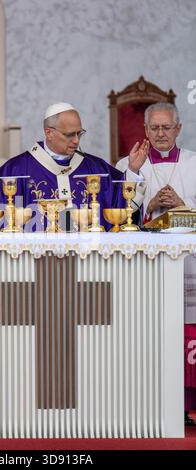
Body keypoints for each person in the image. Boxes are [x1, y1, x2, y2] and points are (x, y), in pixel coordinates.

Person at [116, 102, 196, 425]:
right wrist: (148, 202)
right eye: (155, 128)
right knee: (150, 327)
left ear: (178, 129)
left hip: (190, 261)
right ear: (145, 131)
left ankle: (189, 403)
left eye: (167, 128)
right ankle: (148, 400)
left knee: (187, 327)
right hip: (146, 264)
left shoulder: (193, 163)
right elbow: (116, 215)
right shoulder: (129, 164)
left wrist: (182, 204)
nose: (161, 134)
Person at [0, 102, 146, 231]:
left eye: (79, 133)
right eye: (69, 135)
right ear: (49, 133)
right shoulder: (19, 169)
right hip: (34, 263)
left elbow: (121, 203)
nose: (76, 140)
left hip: (89, 262)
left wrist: (133, 171)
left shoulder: (94, 167)